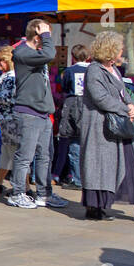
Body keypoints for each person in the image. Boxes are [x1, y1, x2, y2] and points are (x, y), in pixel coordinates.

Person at [80, 31, 134, 222]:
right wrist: (125, 108)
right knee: (99, 167)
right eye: (120, 47)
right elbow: (100, 98)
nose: (122, 50)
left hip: (118, 126)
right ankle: (95, 207)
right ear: (110, 49)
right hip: (101, 128)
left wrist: (131, 105)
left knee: (129, 163)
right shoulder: (94, 70)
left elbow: (123, 93)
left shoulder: (114, 70)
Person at [8, 18, 68, 209]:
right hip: (28, 113)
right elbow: (51, 54)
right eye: (45, 34)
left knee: (45, 156)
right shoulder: (23, 53)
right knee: (25, 155)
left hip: (42, 113)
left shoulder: (36, 53)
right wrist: (46, 35)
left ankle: (44, 194)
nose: (48, 38)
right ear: (37, 35)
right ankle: (18, 193)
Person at [55, 44, 91, 190]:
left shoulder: (69, 71)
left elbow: (64, 87)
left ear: (73, 57)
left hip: (72, 106)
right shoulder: (92, 70)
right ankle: (85, 177)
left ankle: (77, 178)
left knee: (73, 142)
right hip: (88, 105)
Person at [0, 45, 18, 195]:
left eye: (1, 60)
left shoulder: (12, 77)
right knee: (7, 153)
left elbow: (10, 98)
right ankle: (0, 181)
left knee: (14, 154)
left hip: (11, 119)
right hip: (6, 119)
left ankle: (21, 187)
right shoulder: (6, 75)